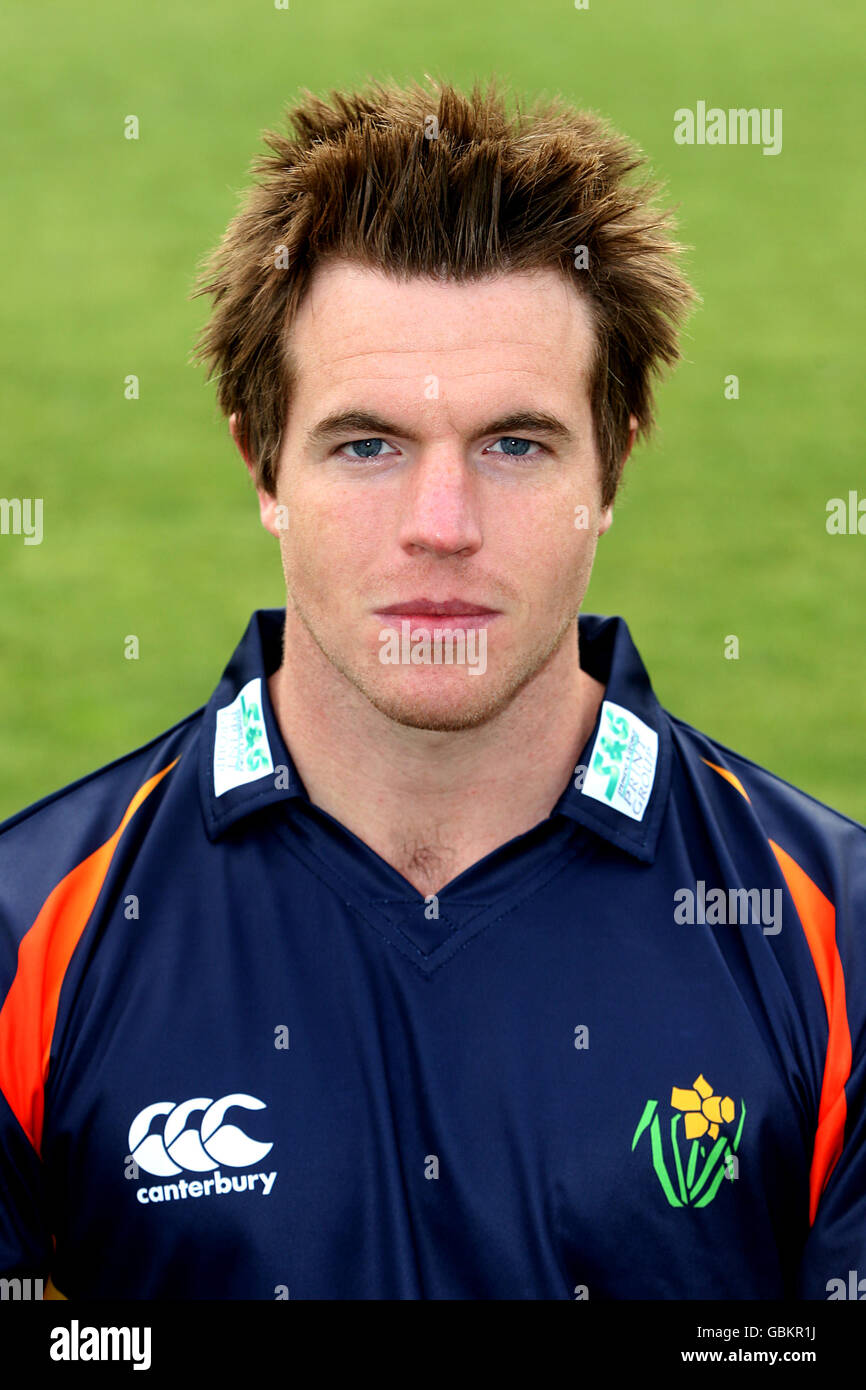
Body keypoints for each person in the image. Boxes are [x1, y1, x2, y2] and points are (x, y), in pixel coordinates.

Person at [0, 75, 863, 1301]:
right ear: (260, 464)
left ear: (612, 463)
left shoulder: (837, 945)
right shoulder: (26, 943)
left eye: (515, 445)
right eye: (366, 446)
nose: (439, 526)